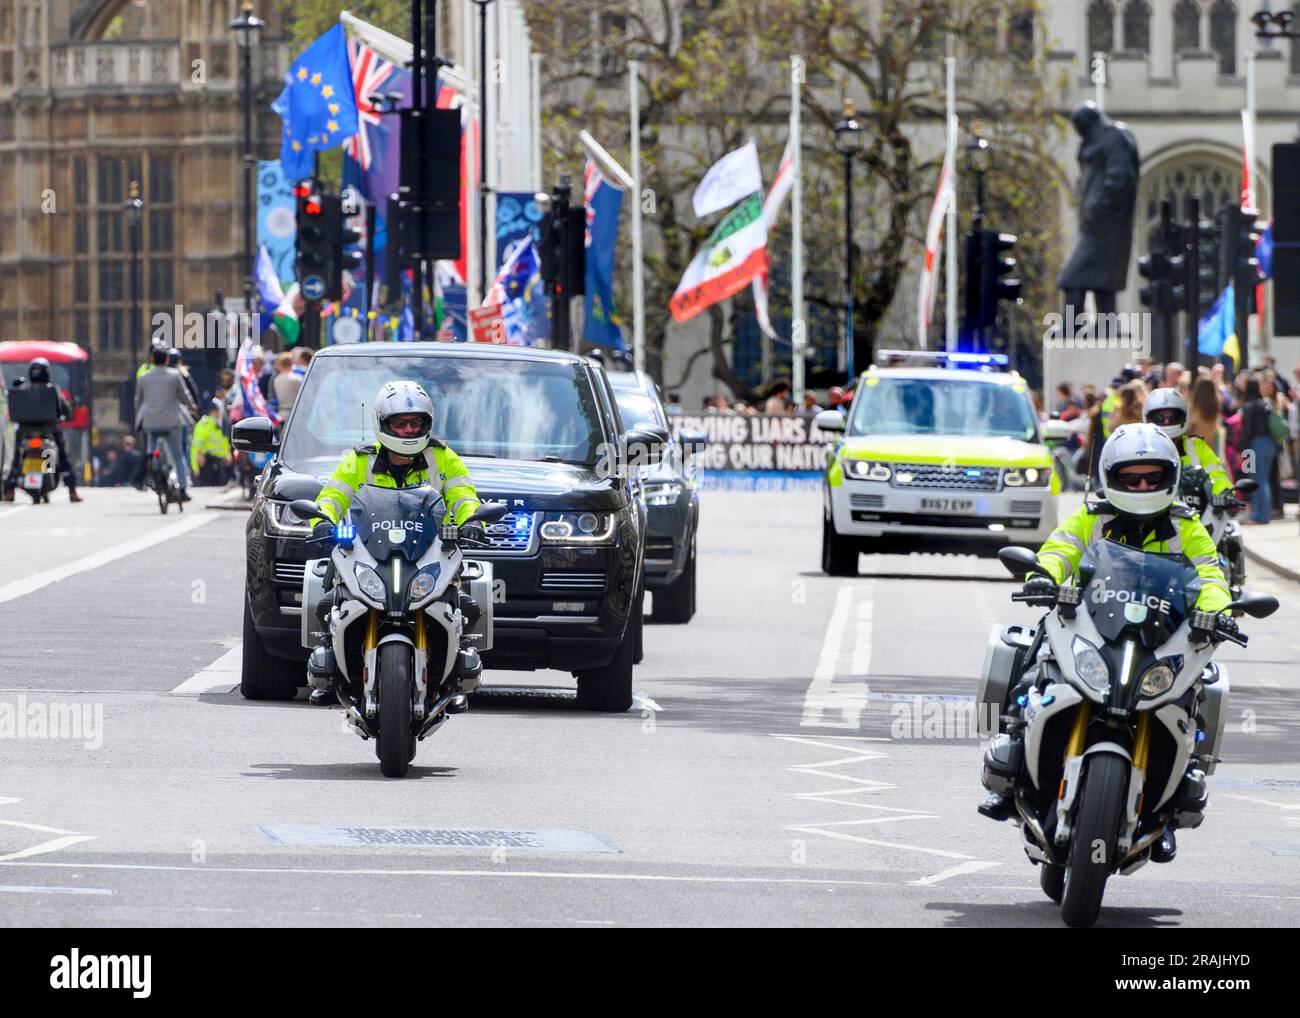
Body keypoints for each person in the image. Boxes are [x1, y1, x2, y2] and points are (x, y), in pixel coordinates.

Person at [980, 424, 1232, 861]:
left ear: (1170, 478)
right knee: (1036, 660)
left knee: (1192, 695)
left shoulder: (1186, 526)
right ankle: (1013, 757)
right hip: (1091, 624)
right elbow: (1061, 548)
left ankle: (1166, 811)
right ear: (1109, 476)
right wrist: (1044, 576)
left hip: (1157, 636)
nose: (1141, 486)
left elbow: (1211, 573)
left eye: (1152, 478)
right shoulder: (1092, 516)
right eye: (1130, 478)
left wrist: (1218, 609)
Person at [306, 381, 483, 705]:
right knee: (326, 601)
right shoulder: (359, 460)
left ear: (427, 423)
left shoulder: (443, 458)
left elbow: (463, 495)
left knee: (467, 607)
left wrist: (472, 521)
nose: (408, 429)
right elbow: (332, 496)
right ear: (382, 424)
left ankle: (456, 676)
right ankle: (329, 669)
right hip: (370, 551)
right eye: (399, 423)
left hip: (429, 552)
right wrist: (322, 520)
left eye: (415, 422)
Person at [2, 357, 82, 502]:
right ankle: (72, 491)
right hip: (49, 430)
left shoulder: (22, 389)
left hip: (25, 430)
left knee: (16, 459)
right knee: (63, 457)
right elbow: (65, 410)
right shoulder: (54, 390)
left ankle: (9, 490)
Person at [1143, 387, 1232, 501]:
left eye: (1172, 416)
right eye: (1159, 417)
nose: (1166, 421)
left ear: (1183, 416)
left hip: (1196, 511)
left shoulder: (1196, 446)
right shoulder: (1141, 449)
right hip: (1151, 510)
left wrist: (1223, 492)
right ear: (1147, 417)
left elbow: (1217, 473)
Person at [133, 345, 198, 499]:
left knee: (151, 450)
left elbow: (138, 401)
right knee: (177, 455)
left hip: (150, 422)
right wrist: (192, 407)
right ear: (167, 359)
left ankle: (153, 469)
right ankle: (182, 490)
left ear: (152, 360)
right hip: (171, 421)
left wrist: (139, 413)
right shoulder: (175, 375)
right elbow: (185, 394)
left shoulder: (143, 377)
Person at [1237, 376, 1275, 525]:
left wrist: (1241, 449)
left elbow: (1247, 430)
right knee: (1264, 480)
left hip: (1255, 445)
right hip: (1269, 444)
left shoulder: (1248, 406)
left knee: (1257, 480)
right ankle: (1264, 514)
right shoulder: (1265, 404)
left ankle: (1257, 515)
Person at [191, 400, 232, 486]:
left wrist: (228, 455)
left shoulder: (217, 425)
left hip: (219, 464)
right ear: (214, 411)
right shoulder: (205, 424)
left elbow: (224, 443)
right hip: (207, 466)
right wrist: (195, 468)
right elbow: (195, 447)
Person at [271, 352, 302, 418]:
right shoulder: (297, 378)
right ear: (291, 363)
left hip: (282, 414)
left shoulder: (276, 379)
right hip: (296, 415)